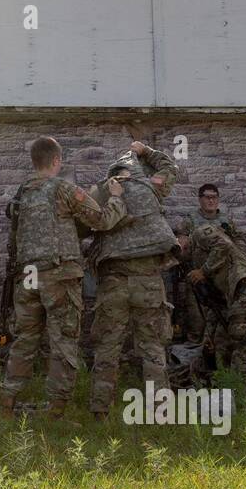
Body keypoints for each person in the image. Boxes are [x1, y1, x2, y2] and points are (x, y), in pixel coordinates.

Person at [0, 137, 127, 420]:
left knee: (25, 340)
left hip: (27, 277)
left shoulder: (21, 193)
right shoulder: (64, 189)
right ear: (57, 160)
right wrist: (116, 196)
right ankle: (56, 411)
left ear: (35, 161)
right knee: (63, 341)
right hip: (59, 276)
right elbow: (103, 220)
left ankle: (7, 402)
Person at [87, 141, 178, 420]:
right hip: (148, 279)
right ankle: (159, 413)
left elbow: (83, 224)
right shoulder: (152, 185)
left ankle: (101, 411)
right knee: (152, 346)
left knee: (107, 346)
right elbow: (170, 167)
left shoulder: (100, 193)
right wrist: (145, 151)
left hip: (114, 280)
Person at [178, 221, 246, 376]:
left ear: (182, 237)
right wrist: (209, 334)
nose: (180, 250)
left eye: (179, 244)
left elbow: (224, 244)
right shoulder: (192, 260)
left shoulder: (200, 233)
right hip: (232, 294)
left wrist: (203, 271)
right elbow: (214, 302)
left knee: (239, 333)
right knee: (220, 338)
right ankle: (225, 381)